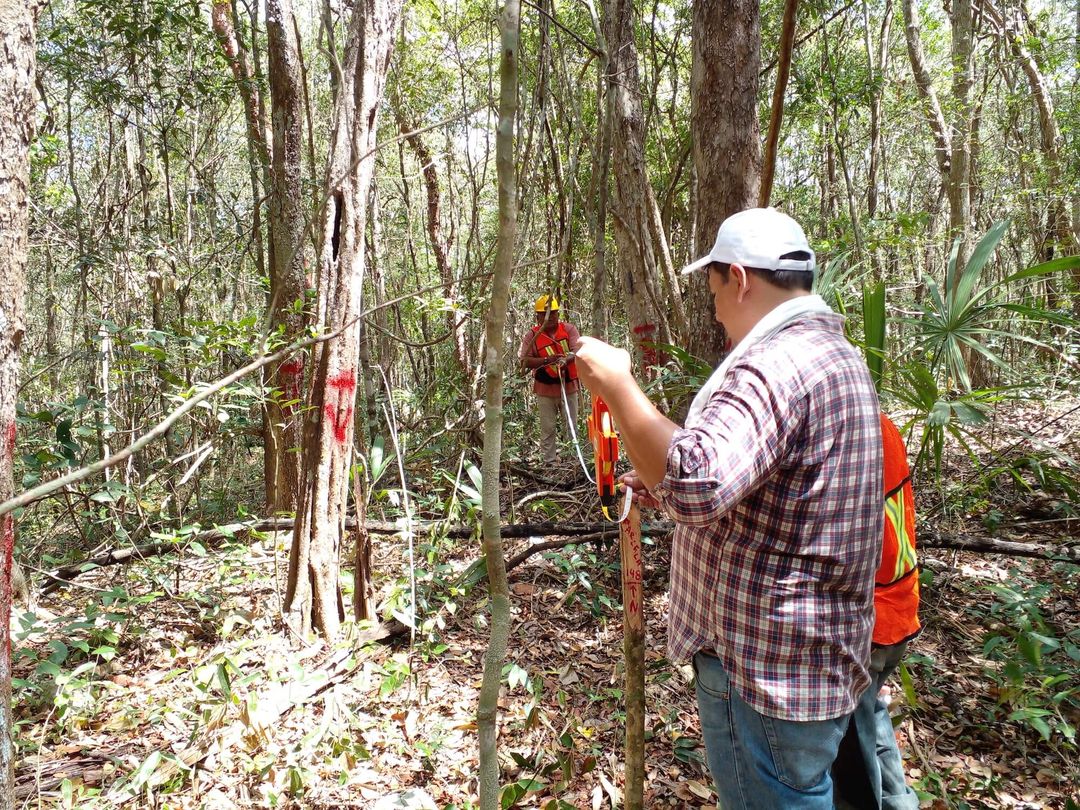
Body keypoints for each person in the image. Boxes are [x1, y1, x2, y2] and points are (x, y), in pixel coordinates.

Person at [573, 208, 883, 808]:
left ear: (739, 279)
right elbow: (764, 486)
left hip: (764, 672)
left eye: (714, 289)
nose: (714, 308)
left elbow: (697, 482)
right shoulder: (832, 352)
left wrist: (617, 386)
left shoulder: (774, 364)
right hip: (815, 658)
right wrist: (656, 480)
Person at [832, 413, 922, 810]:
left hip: (869, 622)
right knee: (869, 717)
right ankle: (900, 802)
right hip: (899, 608)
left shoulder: (846, 432)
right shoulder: (880, 422)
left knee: (848, 759)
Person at [518, 294, 581, 465]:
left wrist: (565, 359)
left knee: (571, 426)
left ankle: (574, 461)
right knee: (548, 428)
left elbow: (577, 350)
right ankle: (549, 462)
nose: (550, 317)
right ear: (538, 316)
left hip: (568, 387)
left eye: (553, 312)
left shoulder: (569, 330)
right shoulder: (532, 335)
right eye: (545, 313)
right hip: (545, 390)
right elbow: (524, 360)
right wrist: (547, 361)